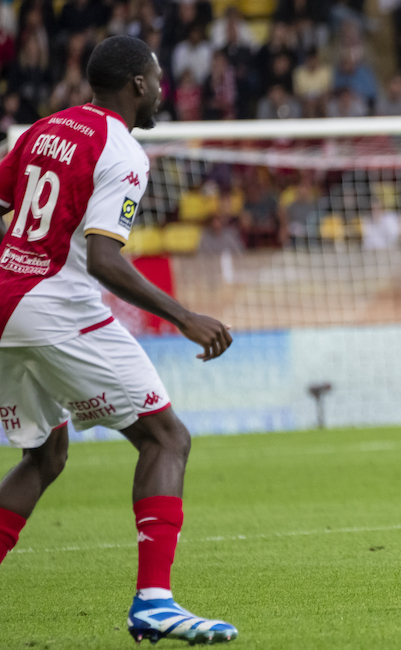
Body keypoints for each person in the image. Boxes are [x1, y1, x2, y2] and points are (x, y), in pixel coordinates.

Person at [0, 36, 236, 644]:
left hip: (6, 305)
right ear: (136, 84)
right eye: (157, 80)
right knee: (166, 436)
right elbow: (105, 261)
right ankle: (155, 602)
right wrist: (185, 317)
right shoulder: (123, 149)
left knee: (46, 455)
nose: (161, 90)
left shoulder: (41, 130)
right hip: (56, 307)